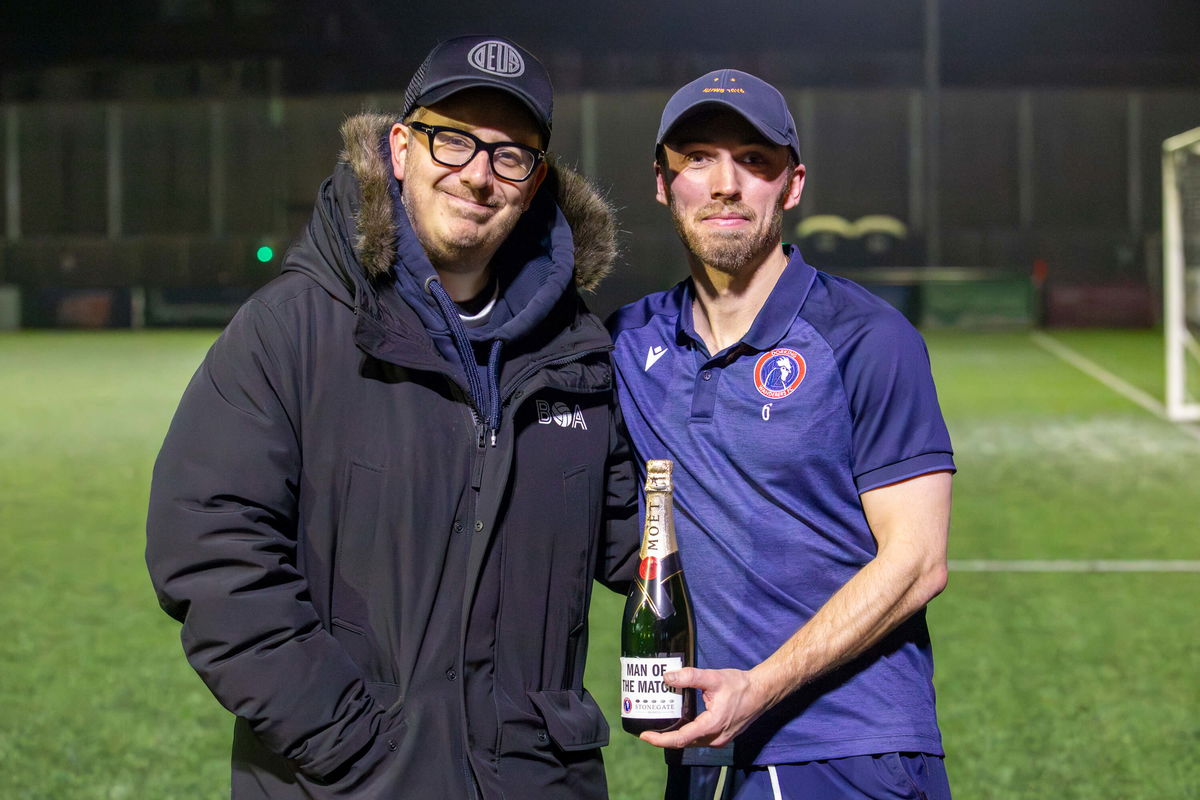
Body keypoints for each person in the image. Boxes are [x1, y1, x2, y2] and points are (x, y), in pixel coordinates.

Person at [146, 35, 641, 800]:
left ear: (536, 179)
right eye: (454, 141)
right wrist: (344, 737)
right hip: (345, 783)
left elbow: (636, 543)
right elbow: (210, 546)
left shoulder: (578, 353)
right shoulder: (294, 328)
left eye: (510, 155)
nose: (479, 174)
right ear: (402, 149)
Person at [607, 69, 956, 800]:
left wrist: (758, 687)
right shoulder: (625, 342)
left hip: (847, 750)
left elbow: (918, 562)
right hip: (706, 752)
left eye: (754, 161)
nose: (726, 184)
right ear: (663, 183)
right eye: (698, 157)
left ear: (791, 186)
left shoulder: (867, 338)